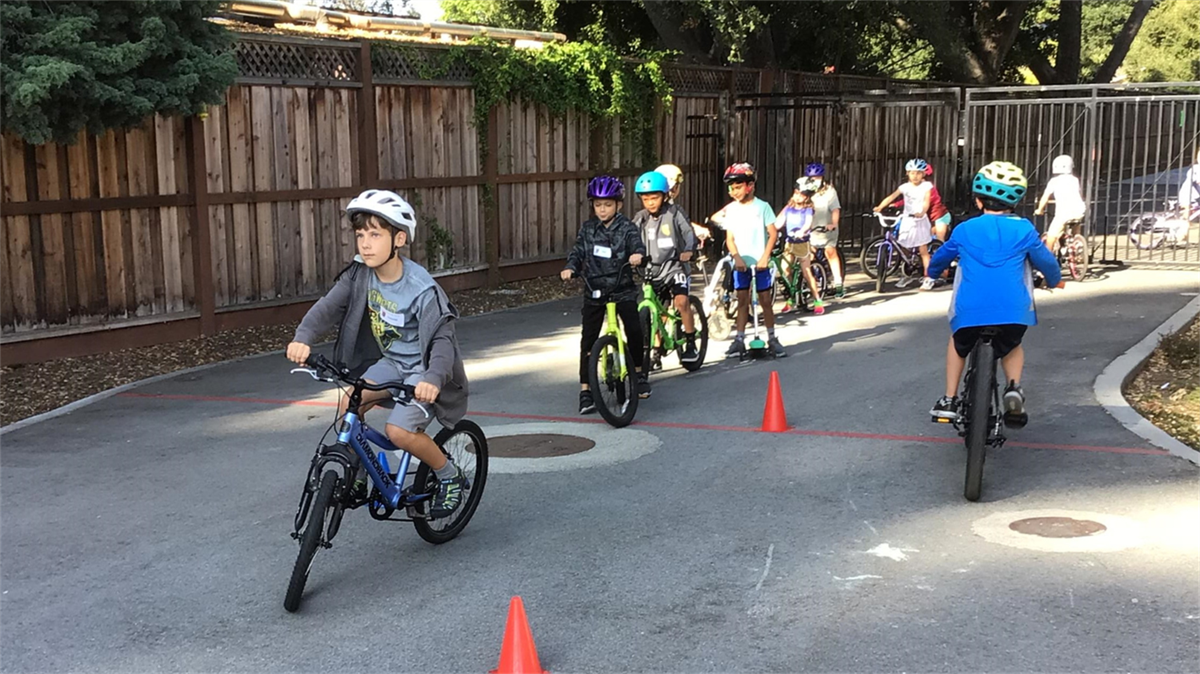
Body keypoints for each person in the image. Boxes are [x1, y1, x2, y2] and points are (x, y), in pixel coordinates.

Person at [287, 190, 469, 518]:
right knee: (349, 405)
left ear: (399, 238)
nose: (365, 244)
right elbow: (327, 308)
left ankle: (448, 475)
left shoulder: (421, 288)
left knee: (397, 431)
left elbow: (443, 341)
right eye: (360, 235)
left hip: (422, 372)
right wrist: (303, 338)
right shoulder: (360, 275)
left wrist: (432, 378)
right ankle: (357, 475)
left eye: (375, 234)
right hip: (392, 363)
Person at [926, 161, 1064, 424]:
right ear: (1015, 202)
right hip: (1014, 311)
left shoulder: (965, 229)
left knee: (958, 344)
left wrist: (933, 273)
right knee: (1012, 345)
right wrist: (1055, 280)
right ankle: (1013, 387)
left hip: (970, 309)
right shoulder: (1024, 229)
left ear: (978, 201)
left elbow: (941, 258)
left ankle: (949, 399)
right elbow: (1046, 261)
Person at [562, 175, 650, 412]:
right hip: (595, 289)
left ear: (618, 205)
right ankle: (585, 391)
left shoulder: (627, 227)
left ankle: (639, 374)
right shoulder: (588, 229)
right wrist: (570, 267)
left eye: (608, 204)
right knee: (588, 340)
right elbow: (578, 251)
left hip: (622, 289)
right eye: (598, 205)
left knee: (633, 329)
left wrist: (637, 256)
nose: (602, 209)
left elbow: (637, 245)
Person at [709, 162, 786, 358]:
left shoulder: (763, 207)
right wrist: (737, 258)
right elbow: (730, 239)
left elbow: (772, 234)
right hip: (741, 264)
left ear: (749, 186)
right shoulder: (732, 210)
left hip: (760, 263)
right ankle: (739, 339)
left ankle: (772, 337)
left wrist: (765, 257)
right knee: (742, 300)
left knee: (765, 300)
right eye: (731, 188)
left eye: (737, 187)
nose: (733, 191)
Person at [633, 170, 700, 366]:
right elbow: (628, 235)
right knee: (656, 310)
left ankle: (690, 342)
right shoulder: (641, 217)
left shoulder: (674, 213)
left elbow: (688, 232)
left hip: (674, 267)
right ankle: (655, 348)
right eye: (646, 199)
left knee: (681, 302)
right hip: (651, 271)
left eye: (655, 198)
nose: (651, 203)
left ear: (664, 196)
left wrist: (688, 250)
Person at [874, 158, 935, 290]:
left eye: (919, 173)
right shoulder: (904, 187)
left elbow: (926, 202)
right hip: (907, 220)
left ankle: (928, 277)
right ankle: (906, 274)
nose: (915, 176)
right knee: (904, 249)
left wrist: (922, 211)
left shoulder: (926, 186)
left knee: (922, 249)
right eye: (912, 173)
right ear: (907, 173)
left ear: (923, 174)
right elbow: (891, 197)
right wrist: (880, 207)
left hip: (920, 220)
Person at [774, 179, 824, 315]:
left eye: (801, 195)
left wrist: (802, 231)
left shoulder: (807, 209)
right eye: (796, 193)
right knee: (785, 270)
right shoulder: (789, 208)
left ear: (807, 197)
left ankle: (817, 300)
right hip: (789, 242)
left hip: (801, 242)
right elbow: (778, 223)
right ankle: (791, 295)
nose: (797, 196)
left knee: (806, 272)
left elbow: (808, 223)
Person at [803, 163, 845, 297]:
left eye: (817, 177)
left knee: (830, 252)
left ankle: (838, 283)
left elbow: (835, 210)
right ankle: (812, 283)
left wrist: (833, 223)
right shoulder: (805, 191)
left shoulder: (829, 191)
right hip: (811, 229)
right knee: (809, 255)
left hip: (826, 229)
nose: (814, 180)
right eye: (812, 177)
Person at [1033, 154, 1086, 255]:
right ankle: (1077, 245)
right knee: (1076, 227)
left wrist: (1039, 209)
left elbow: (1045, 197)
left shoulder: (1054, 181)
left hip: (1064, 213)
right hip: (1079, 210)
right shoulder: (1074, 180)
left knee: (1051, 236)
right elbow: (1078, 194)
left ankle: (1047, 258)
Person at [925, 163, 952, 242]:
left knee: (939, 241)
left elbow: (928, 201)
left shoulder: (930, 188)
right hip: (930, 218)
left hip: (941, 217)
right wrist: (896, 204)